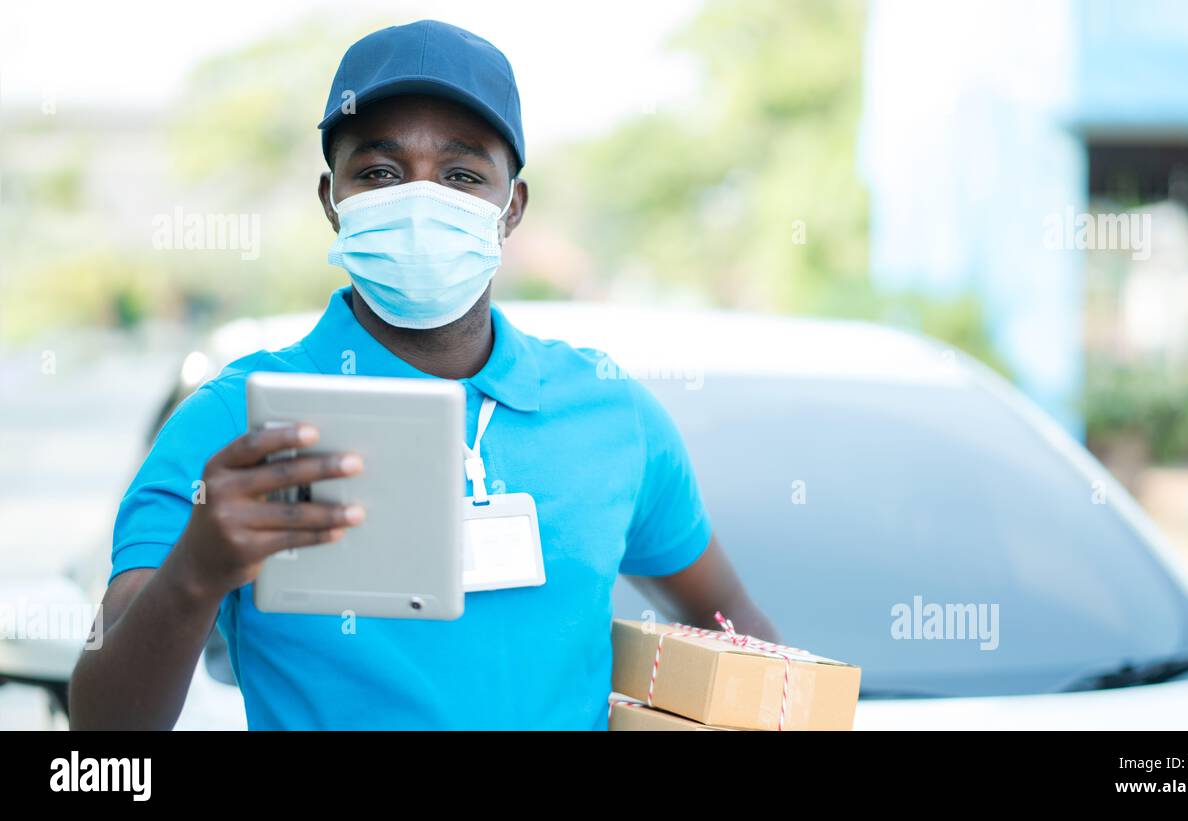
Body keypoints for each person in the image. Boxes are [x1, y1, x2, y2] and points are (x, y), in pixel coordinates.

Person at [69, 19, 777, 730]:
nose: (419, 201)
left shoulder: (613, 414)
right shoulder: (232, 422)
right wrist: (197, 571)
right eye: (379, 172)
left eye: (463, 175)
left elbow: (735, 629)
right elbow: (103, 729)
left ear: (513, 208)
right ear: (331, 200)